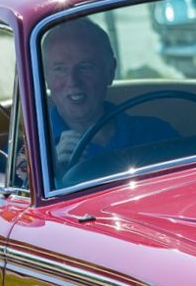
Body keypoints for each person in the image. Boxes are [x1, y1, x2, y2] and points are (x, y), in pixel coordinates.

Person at [41, 17, 178, 172]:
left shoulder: (155, 133)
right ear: (45, 77)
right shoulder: (33, 153)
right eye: (60, 69)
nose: (73, 81)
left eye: (85, 67)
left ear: (110, 71)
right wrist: (53, 172)